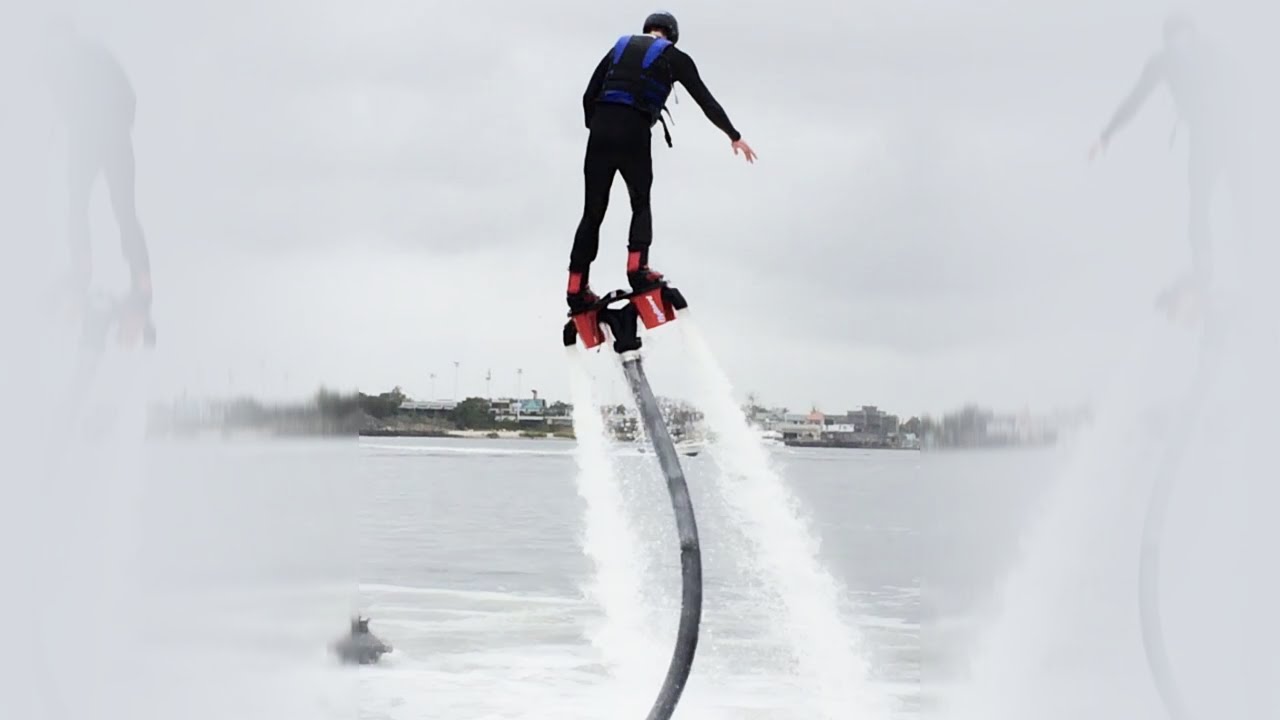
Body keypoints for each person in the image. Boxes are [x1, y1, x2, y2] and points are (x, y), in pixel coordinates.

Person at [566, 11, 756, 311]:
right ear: (672, 34)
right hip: (634, 130)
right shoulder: (674, 57)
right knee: (640, 202)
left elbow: (589, 94)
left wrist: (599, 127)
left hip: (601, 129)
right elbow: (706, 100)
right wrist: (734, 135)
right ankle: (637, 269)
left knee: (592, 212)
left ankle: (576, 287)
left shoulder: (619, 47)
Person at [1089, 13, 1242, 315]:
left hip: (1224, 135)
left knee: (1217, 199)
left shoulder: (1192, 56)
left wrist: (1106, 135)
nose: (1184, 48)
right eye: (1179, 41)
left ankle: (1225, 262)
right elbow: (1136, 99)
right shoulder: (1186, 57)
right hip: (1221, 136)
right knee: (1213, 201)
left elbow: (1135, 99)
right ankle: (1218, 265)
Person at [42, 18, 153, 343]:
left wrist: (103, 125)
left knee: (84, 205)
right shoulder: (90, 56)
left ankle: (86, 267)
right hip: (109, 138)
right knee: (119, 209)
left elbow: (125, 98)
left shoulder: (66, 60)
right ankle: (138, 276)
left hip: (96, 138)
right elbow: (129, 96)